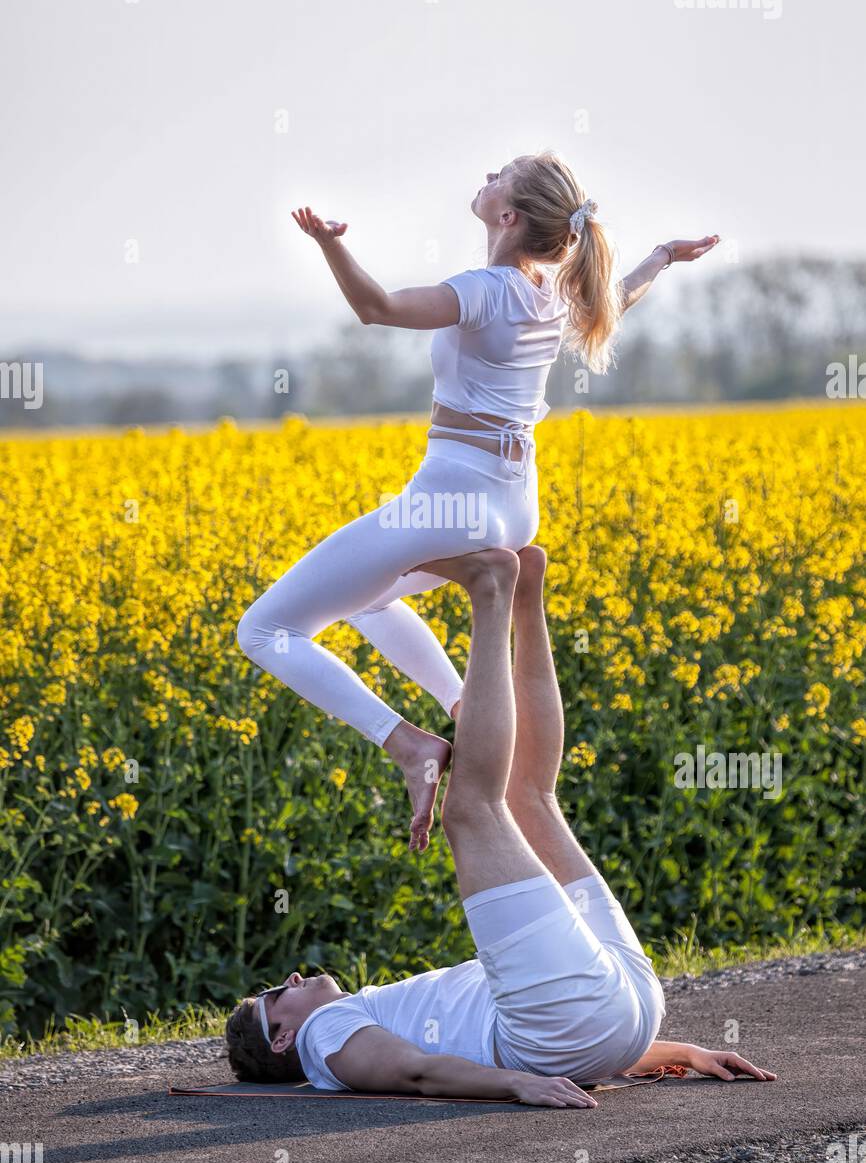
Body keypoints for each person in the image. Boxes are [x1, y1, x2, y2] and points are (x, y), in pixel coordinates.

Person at [237, 148, 720, 849]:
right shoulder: (553, 292)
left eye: (500, 175)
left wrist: (331, 247)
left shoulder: (488, 289)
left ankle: (409, 747)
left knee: (266, 631)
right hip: (515, 505)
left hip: (451, 505)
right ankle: (461, 703)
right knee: (368, 599)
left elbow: (376, 309)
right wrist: (659, 259)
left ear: (508, 214)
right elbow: (615, 298)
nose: (487, 173)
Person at [226, 547, 775, 1105]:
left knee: (528, 797)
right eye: (276, 995)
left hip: (616, 1014)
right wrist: (515, 1083)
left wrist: (681, 1053)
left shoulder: (357, 1013)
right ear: (282, 1040)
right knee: (470, 810)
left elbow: (547, 1025)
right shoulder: (324, 1039)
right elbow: (416, 1073)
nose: (291, 979)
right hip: (567, 1030)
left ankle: (523, 594)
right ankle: (490, 593)